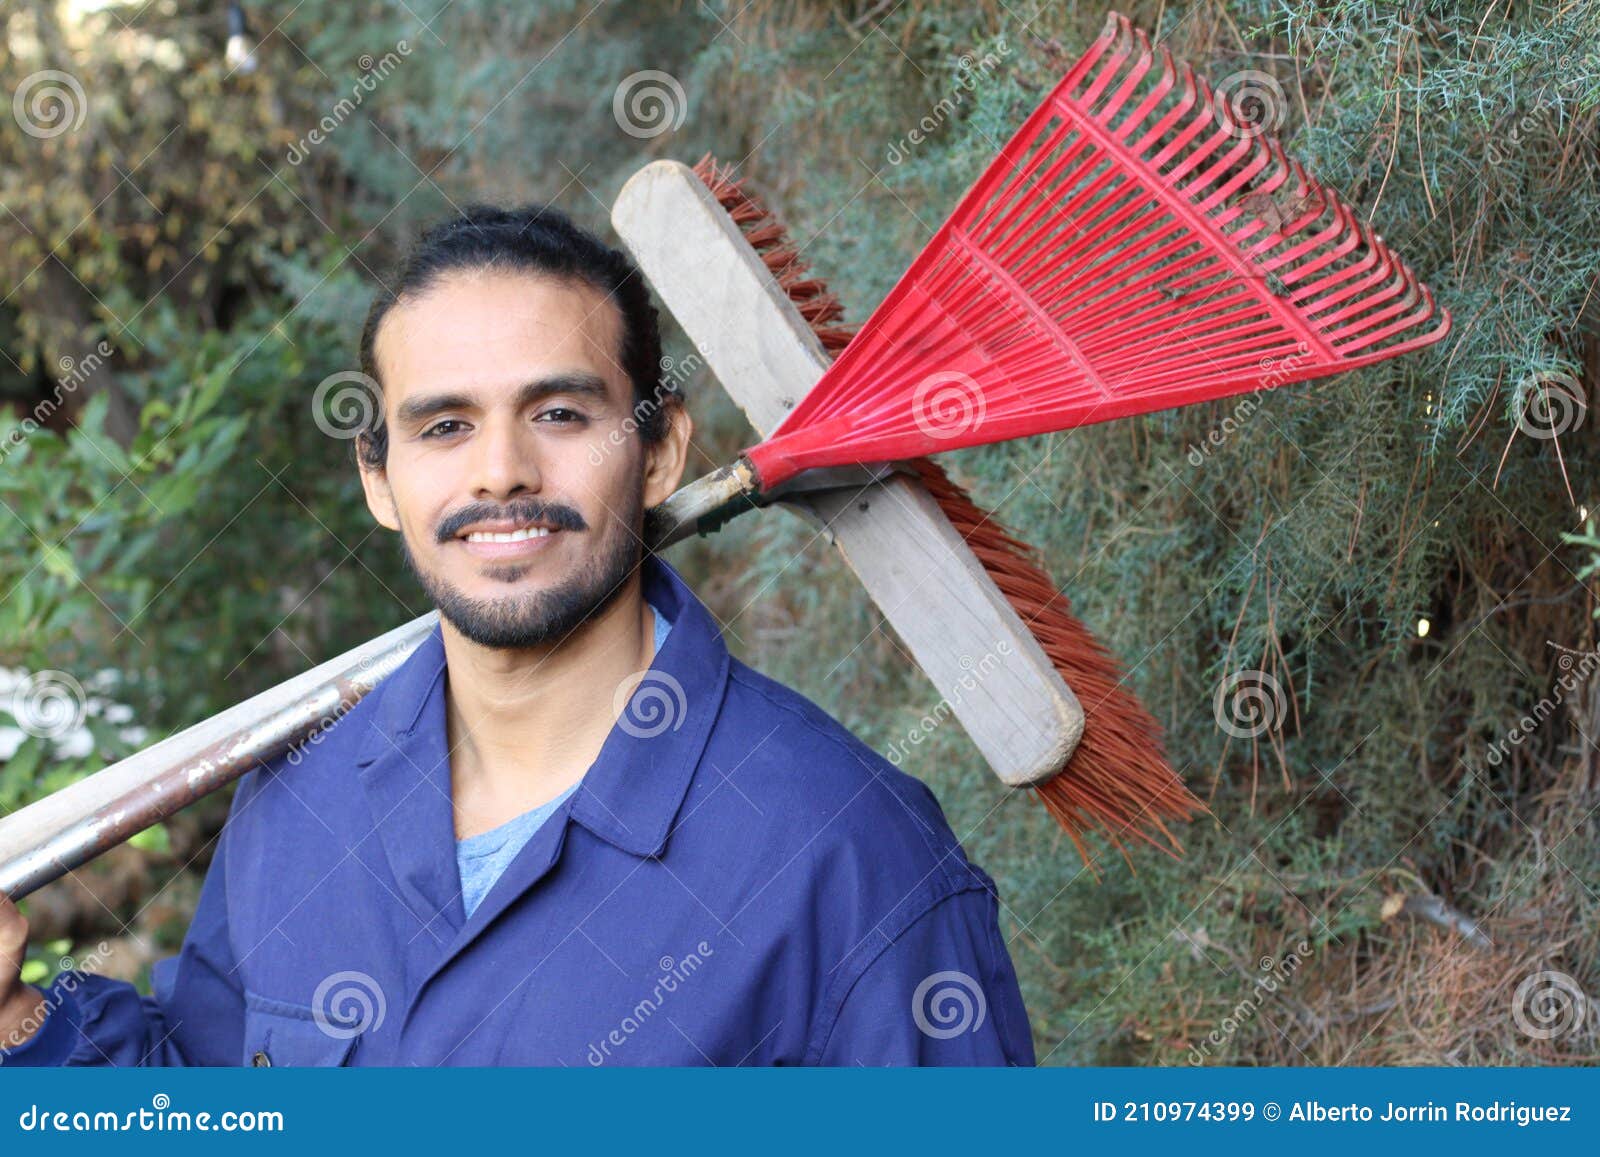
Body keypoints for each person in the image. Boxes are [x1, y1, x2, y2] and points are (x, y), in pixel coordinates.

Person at [0, 204, 1034, 1066]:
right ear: (379, 480)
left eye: (559, 415)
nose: (499, 470)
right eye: (443, 426)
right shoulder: (298, 806)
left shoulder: (849, 859)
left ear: (662, 450)